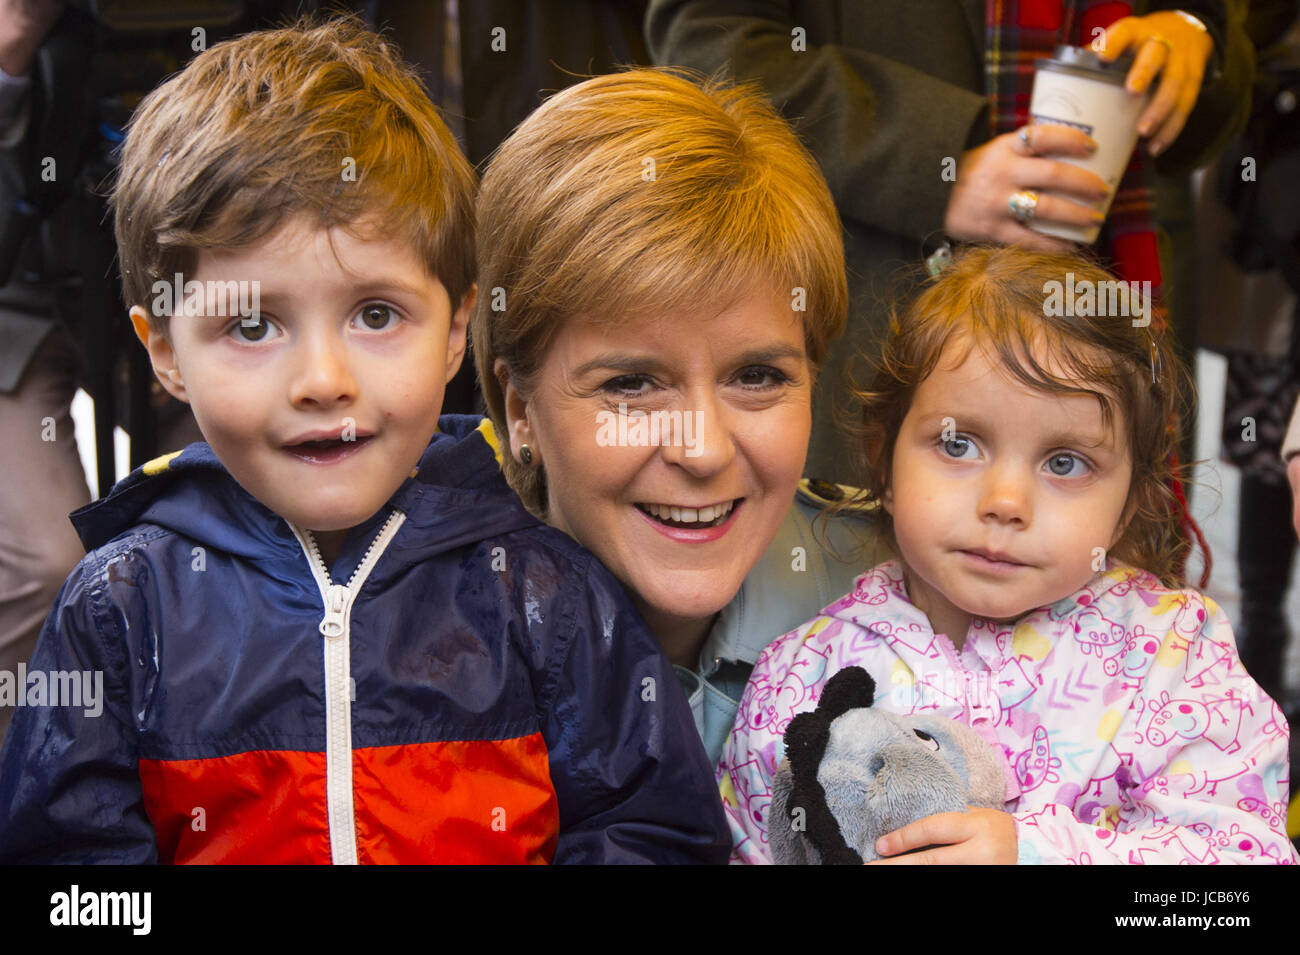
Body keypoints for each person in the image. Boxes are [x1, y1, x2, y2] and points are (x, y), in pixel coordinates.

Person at [0, 17, 728, 864]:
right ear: (165, 351)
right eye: (252, 324)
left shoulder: (544, 595)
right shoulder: (119, 609)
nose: (322, 378)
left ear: (457, 330)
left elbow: (657, 832)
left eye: (376, 315)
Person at [720, 245, 1298, 864]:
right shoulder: (804, 675)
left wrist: (1035, 856)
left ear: (1129, 502)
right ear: (884, 459)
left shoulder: (1174, 659)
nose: (1005, 501)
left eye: (1065, 462)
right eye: (959, 444)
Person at [646, 1, 1256, 483]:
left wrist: (1192, 28)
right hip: (875, 307)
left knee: (1110, 619)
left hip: (1114, 298)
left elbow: (1217, 50)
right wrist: (936, 165)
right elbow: (710, 40)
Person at [471, 68, 888, 764]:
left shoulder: (917, 591)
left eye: (757, 377)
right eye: (632, 384)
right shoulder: (404, 636)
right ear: (521, 410)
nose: (702, 451)